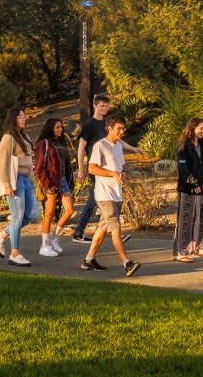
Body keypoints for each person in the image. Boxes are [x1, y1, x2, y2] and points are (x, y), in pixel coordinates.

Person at [71, 94, 139, 242]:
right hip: (97, 168)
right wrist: (81, 169)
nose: (104, 108)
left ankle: (86, 231)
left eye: (107, 106)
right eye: (102, 106)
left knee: (99, 199)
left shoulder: (107, 124)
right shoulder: (89, 125)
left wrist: (133, 149)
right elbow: (81, 147)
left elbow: (118, 141)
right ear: (95, 106)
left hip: (109, 169)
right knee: (96, 199)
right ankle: (108, 231)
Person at [81, 112, 140, 276]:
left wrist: (122, 173)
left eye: (123, 129)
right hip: (104, 195)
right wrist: (112, 174)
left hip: (117, 194)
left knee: (103, 227)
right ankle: (127, 263)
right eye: (119, 129)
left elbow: (122, 166)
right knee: (116, 228)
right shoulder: (100, 145)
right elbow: (91, 168)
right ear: (109, 128)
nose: (122, 131)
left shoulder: (119, 146)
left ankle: (88, 259)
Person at [0, 106, 38, 267]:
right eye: (20, 116)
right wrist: (6, 184)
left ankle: (1, 235)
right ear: (13, 119)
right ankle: (15, 254)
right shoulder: (8, 138)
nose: (24, 118)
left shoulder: (23, 137)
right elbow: (0, 163)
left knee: (30, 215)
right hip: (15, 180)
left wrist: (32, 181)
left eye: (24, 116)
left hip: (26, 180)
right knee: (17, 216)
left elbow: (29, 163)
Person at [172, 116, 203, 262]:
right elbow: (183, 170)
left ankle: (201, 247)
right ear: (192, 128)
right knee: (186, 221)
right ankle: (181, 252)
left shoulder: (202, 146)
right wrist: (194, 185)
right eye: (201, 128)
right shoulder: (183, 146)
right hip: (188, 190)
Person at [34, 116, 75, 258]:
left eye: (61, 127)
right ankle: (44, 245)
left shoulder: (61, 143)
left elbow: (67, 164)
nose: (60, 129)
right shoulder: (43, 144)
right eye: (57, 127)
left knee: (69, 210)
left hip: (63, 180)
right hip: (51, 182)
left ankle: (53, 237)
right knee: (49, 213)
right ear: (50, 128)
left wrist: (71, 182)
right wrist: (47, 184)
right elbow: (39, 168)